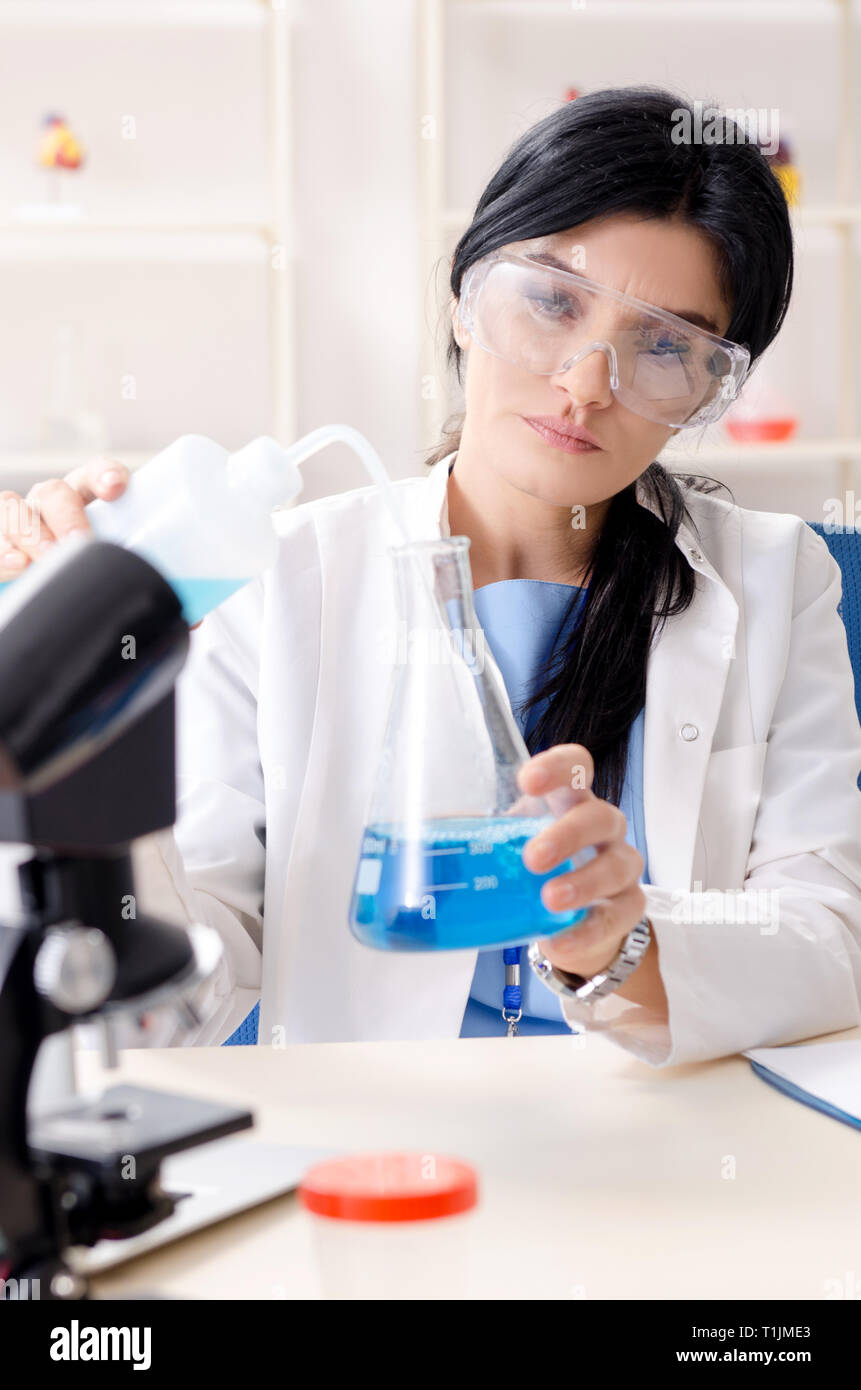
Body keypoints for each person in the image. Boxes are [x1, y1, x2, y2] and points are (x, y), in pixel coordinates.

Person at [2, 87, 860, 1066]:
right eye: (551, 301)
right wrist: (97, 721)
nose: (586, 382)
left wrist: (623, 945)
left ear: (712, 387)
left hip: (657, 1144)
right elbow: (186, 994)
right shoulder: (276, 581)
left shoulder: (779, 578)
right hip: (373, 1155)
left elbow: (829, 935)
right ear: (464, 297)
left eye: (664, 344)